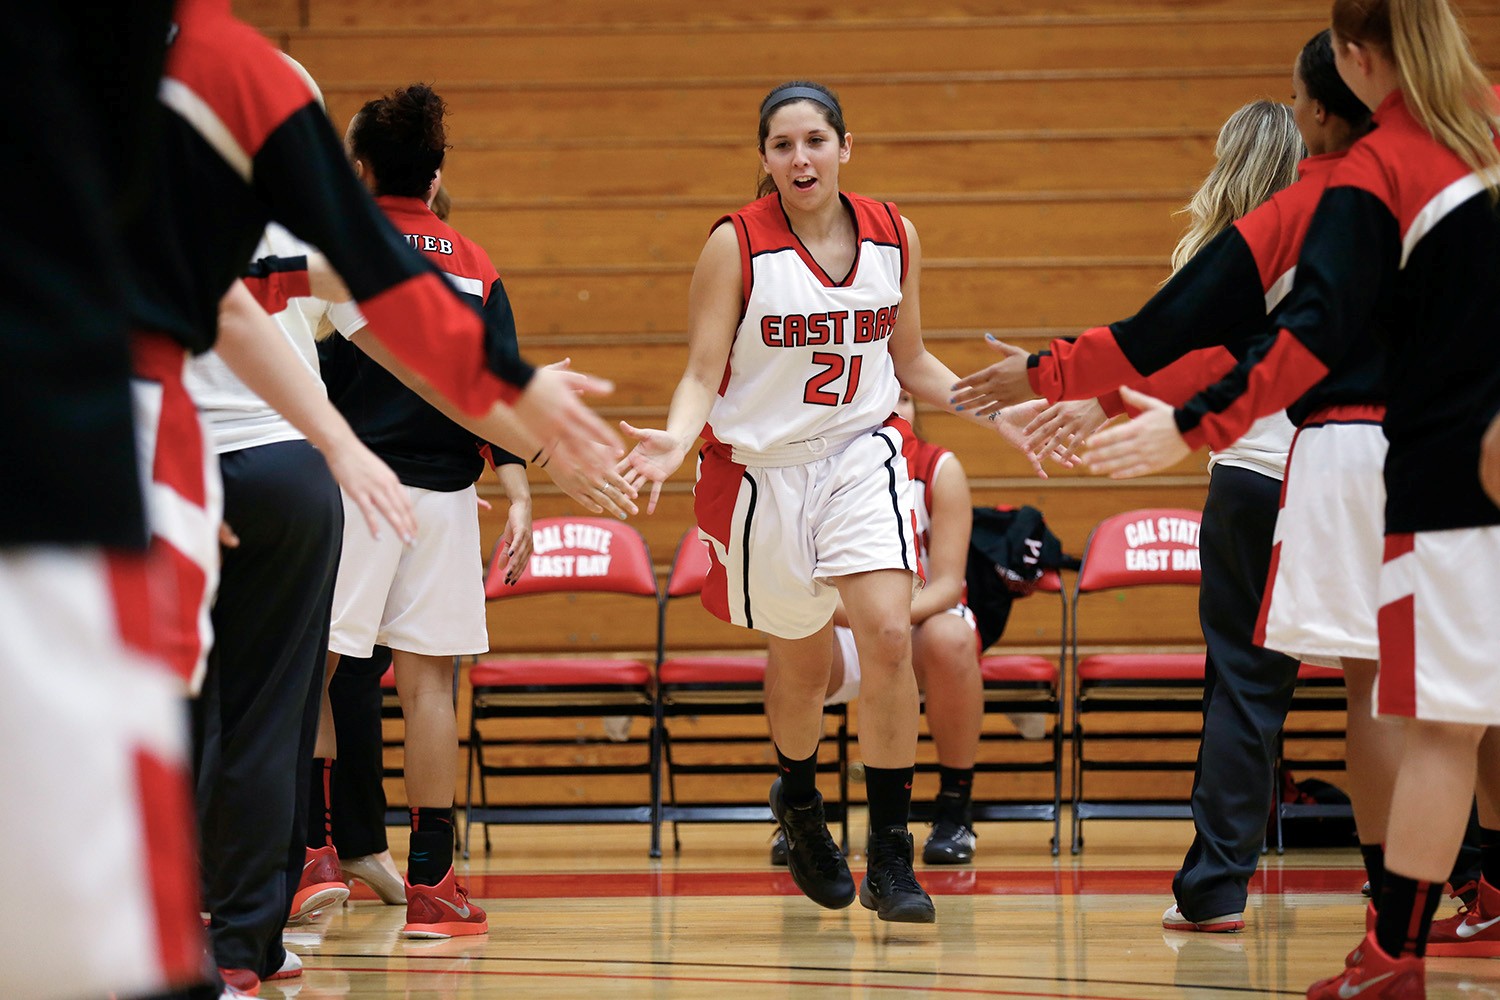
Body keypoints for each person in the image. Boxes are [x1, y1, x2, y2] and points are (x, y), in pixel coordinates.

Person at [1080, 1, 1500, 993]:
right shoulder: (1462, 155)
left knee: (1348, 696)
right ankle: (1464, 893)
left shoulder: (1327, 203)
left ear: (1343, 86)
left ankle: (1369, 931)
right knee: (1454, 705)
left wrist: (1139, 409)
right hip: (1430, 454)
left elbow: (1236, 350)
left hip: (1329, 459)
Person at [621, 81, 1048, 924]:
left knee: (891, 632)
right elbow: (703, 374)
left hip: (864, 451)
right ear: (765, 159)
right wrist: (673, 439)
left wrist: (998, 408)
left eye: (815, 140)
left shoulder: (895, 234)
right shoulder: (735, 245)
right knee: (803, 655)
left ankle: (891, 855)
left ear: (845, 147)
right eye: (782, 145)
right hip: (763, 469)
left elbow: (913, 360)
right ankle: (803, 803)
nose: (800, 157)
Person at [958, 78, 1371, 932]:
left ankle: (1216, 886)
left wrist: (1072, 384)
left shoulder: (1238, 249)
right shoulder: (1363, 231)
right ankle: (1425, 881)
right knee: (1386, 685)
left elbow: (1173, 355)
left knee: (1246, 692)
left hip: (1258, 478)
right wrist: (1090, 395)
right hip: (1364, 474)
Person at [310, 82, 537, 940]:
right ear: (437, 175)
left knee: (319, 672)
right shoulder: (476, 265)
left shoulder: (340, 249)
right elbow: (501, 385)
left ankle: (311, 856)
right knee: (431, 684)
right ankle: (435, 884)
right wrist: (517, 487)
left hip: (354, 488)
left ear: (359, 169)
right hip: (447, 497)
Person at [768, 390, 997, 867]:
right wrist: (858, 620)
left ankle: (955, 809)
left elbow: (949, 586)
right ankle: (799, 810)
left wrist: (884, 622)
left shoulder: (939, 468)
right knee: (789, 636)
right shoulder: (808, 464)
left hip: (915, 622)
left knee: (952, 638)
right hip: (841, 622)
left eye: (907, 399)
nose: (896, 408)